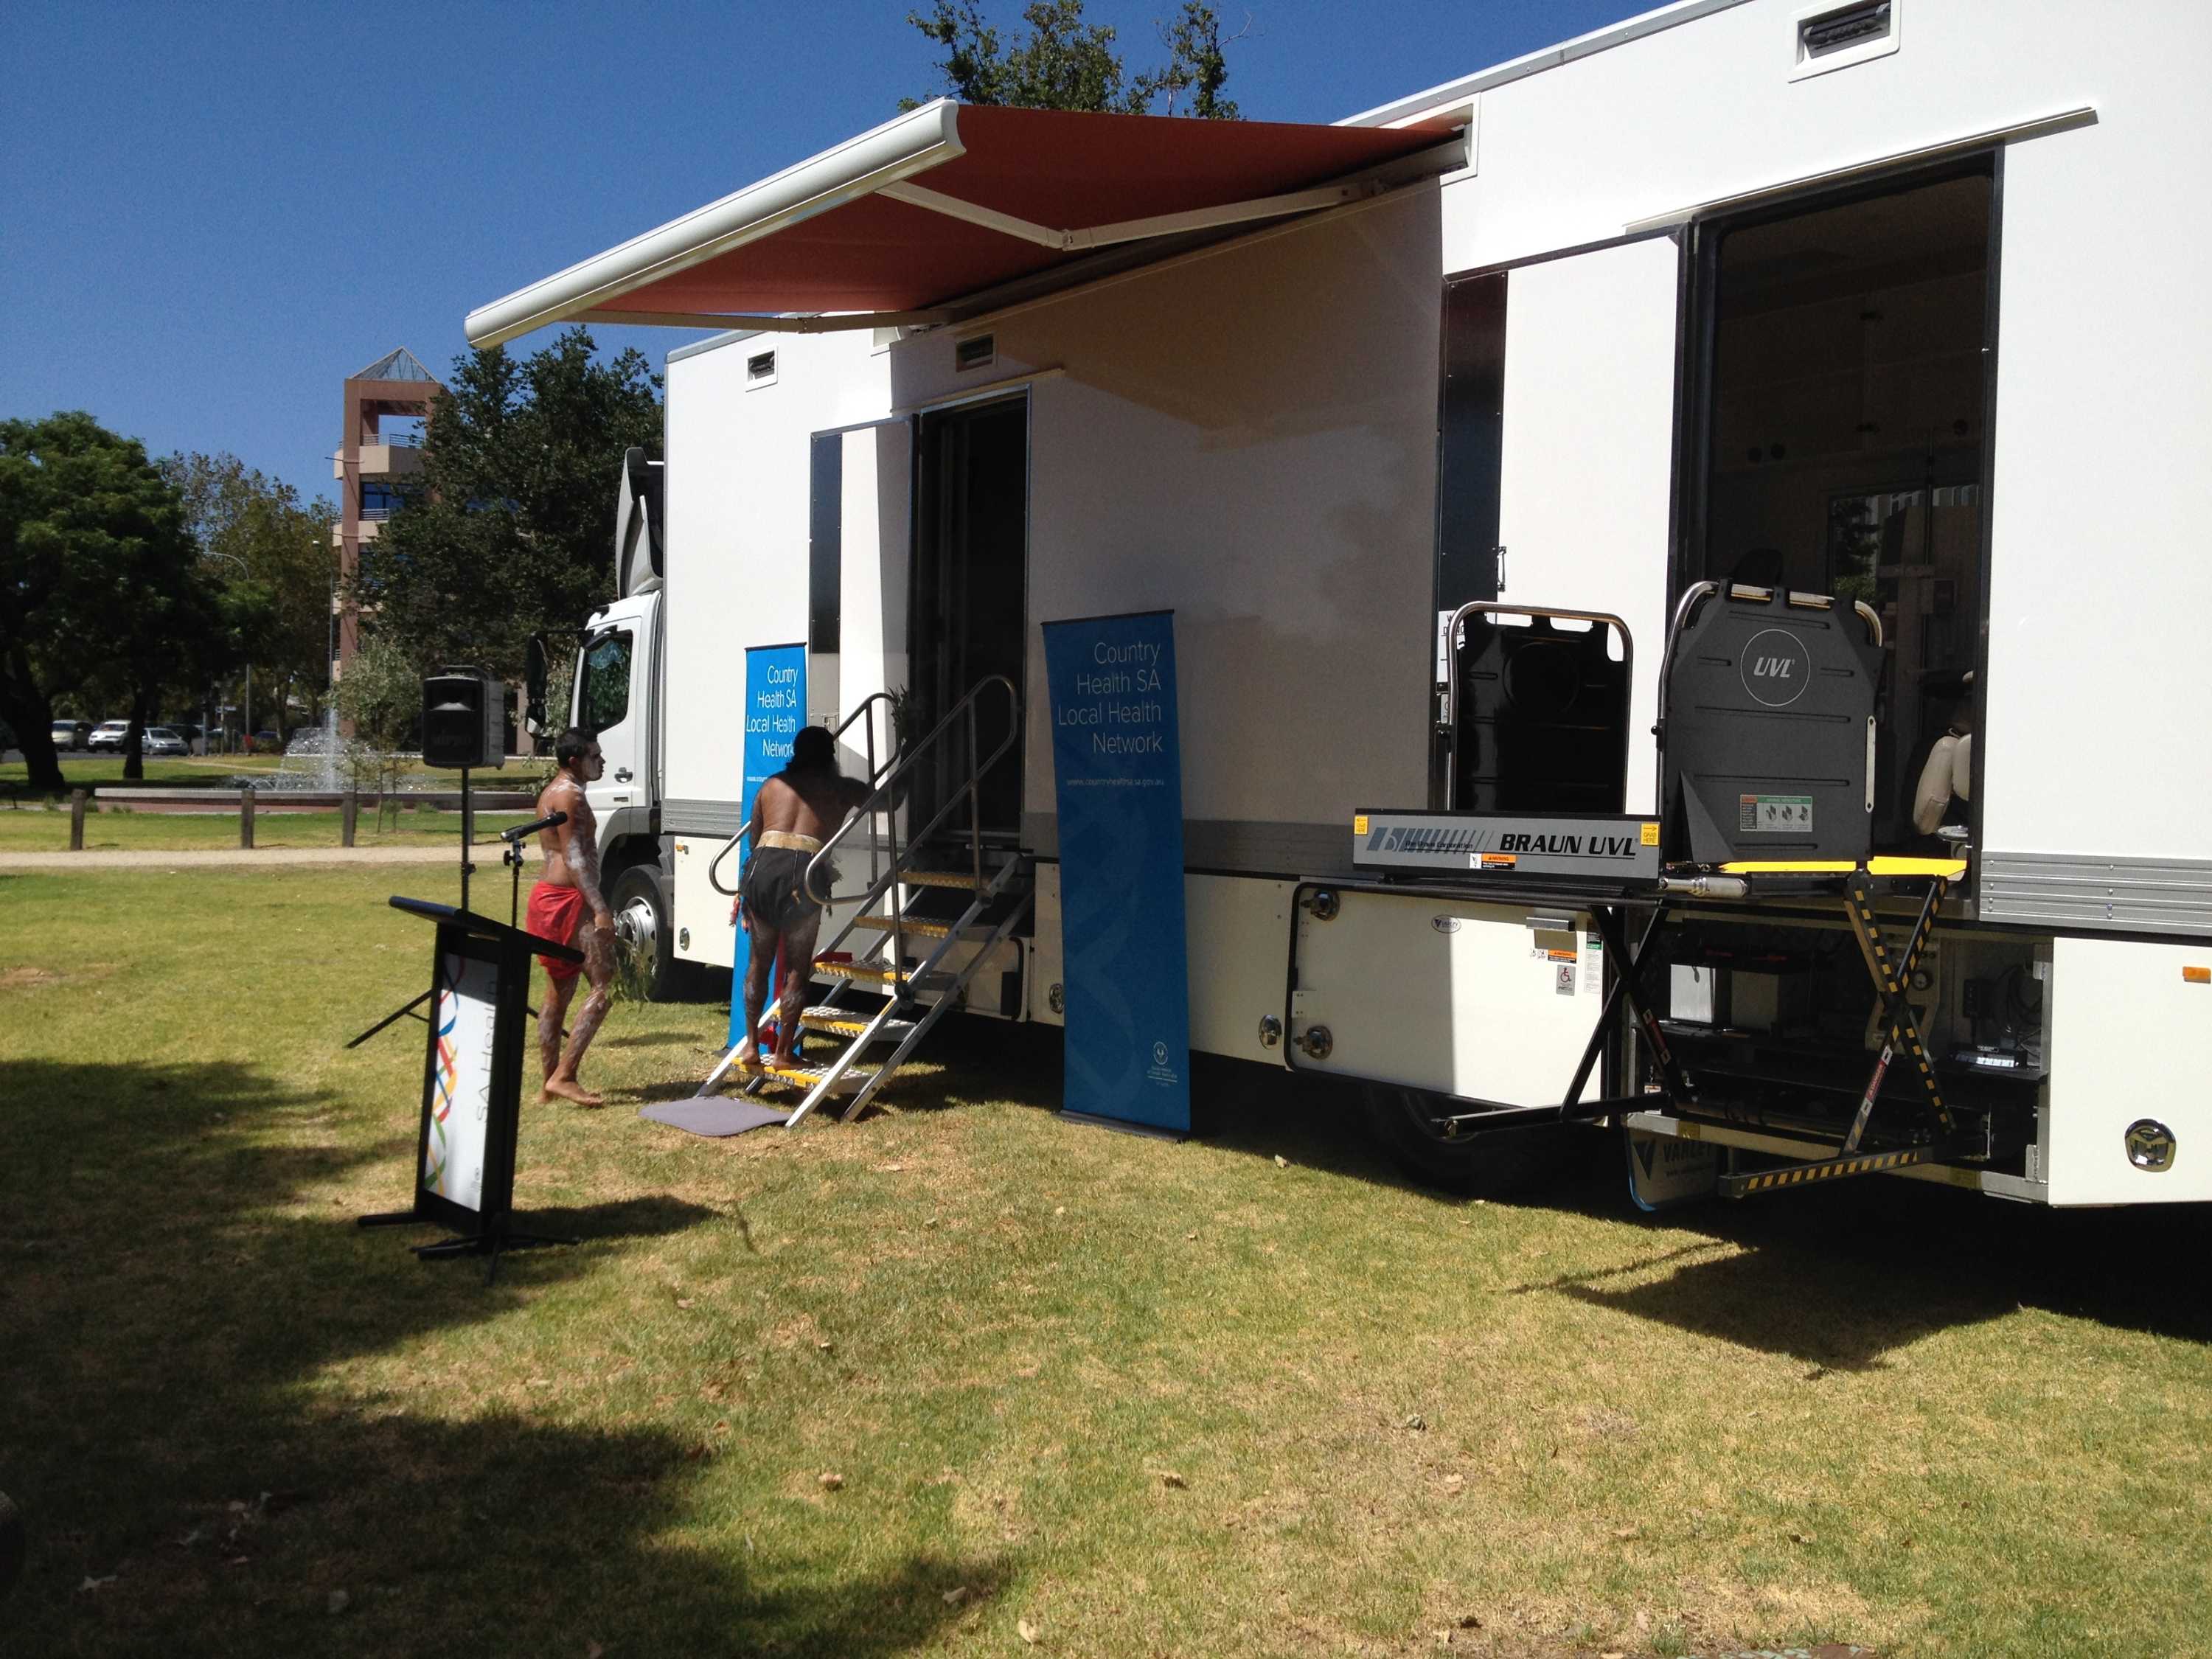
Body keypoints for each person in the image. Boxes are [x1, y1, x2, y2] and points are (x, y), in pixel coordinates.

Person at [738, 725, 872, 1072]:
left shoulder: (771, 785)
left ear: (796, 753)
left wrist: (746, 892)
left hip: (761, 869)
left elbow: (754, 841)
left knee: (759, 963)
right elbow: (888, 800)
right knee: (797, 969)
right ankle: (782, 1052)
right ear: (830, 757)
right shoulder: (841, 788)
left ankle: (752, 1045)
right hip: (804, 873)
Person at [527, 727, 616, 1105]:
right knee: (603, 985)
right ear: (575, 761)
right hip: (568, 899)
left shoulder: (551, 792)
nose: (603, 761)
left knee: (558, 992)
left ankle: (550, 1083)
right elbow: (576, 858)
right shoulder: (570, 796)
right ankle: (565, 1075)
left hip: (548, 896)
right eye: (596, 756)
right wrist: (600, 909)